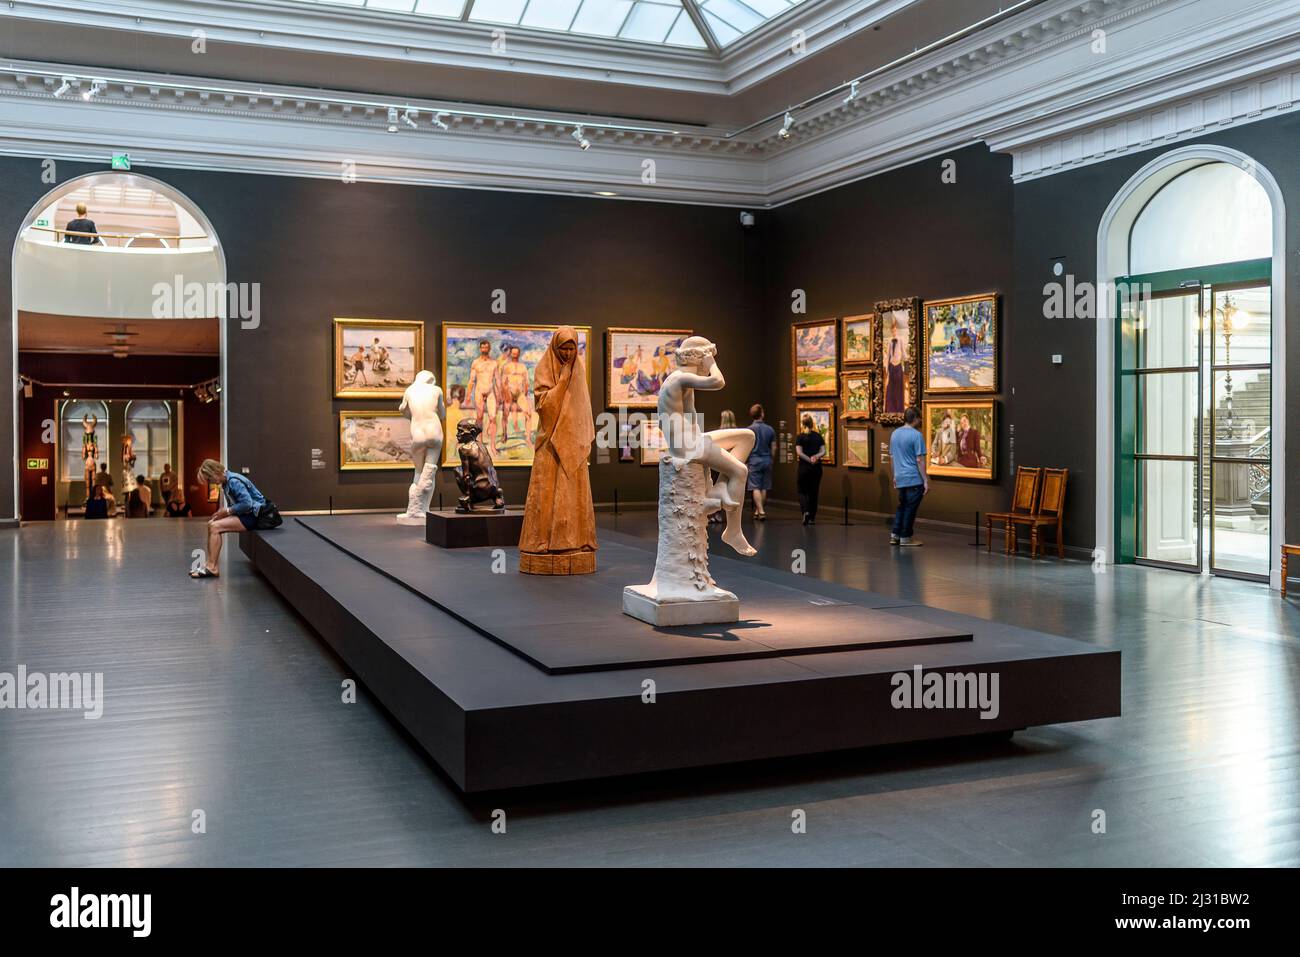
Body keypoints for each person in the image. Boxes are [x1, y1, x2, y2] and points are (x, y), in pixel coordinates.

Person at [656, 337, 756, 556]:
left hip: (693, 439)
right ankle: (733, 531)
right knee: (740, 471)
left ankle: (719, 487)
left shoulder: (683, 382)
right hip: (685, 446)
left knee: (747, 437)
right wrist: (711, 364)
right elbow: (718, 382)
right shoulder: (679, 378)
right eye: (707, 359)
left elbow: (690, 419)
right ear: (700, 359)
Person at [518, 327, 598, 574]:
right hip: (550, 444)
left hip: (573, 444)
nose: (567, 352)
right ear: (554, 347)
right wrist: (562, 380)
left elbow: (582, 410)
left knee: (573, 493)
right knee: (547, 493)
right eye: (563, 347)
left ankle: (577, 540)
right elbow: (544, 405)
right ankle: (542, 542)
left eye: (572, 347)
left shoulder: (579, 370)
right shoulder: (545, 368)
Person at [190, 460, 271, 579]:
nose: (210, 482)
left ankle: (212, 567)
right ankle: (209, 563)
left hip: (255, 516)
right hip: (248, 514)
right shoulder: (226, 482)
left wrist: (227, 511)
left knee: (215, 527)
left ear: (214, 472)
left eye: (209, 479)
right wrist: (225, 513)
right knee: (211, 523)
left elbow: (247, 504)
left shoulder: (233, 481)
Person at [889, 406, 929, 546]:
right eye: (919, 419)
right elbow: (919, 460)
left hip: (900, 477)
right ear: (915, 418)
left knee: (902, 506)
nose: (920, 421)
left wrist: (894, 476)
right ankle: (906, 537)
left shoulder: (894, 434)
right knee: (910, 508)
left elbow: (892, 458)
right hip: (913, 478)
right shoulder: (916, 435)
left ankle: (895, 535)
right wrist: (925, 480)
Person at [745, 403, 776, 521]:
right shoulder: (770, 429)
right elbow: (773, 447)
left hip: (754, 460)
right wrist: (771, 458)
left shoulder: (749, 430)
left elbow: (746, 447)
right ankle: (759, 511)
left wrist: (746, 461)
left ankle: (761, 511)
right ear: (762, 413)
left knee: (755, 487)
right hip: (766, 459)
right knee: (764, 487)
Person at [796, 414, 826, 526]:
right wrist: (816, 457)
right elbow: (823, 451)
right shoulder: (818, 436)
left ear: (802, 424)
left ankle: (805, 511)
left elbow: (799, 452)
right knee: (814, 492)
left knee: (802, 491)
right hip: (816, 469)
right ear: (812, 423)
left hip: (804, 468)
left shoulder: (800, 437)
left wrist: (809, 459)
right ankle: (812, 518)